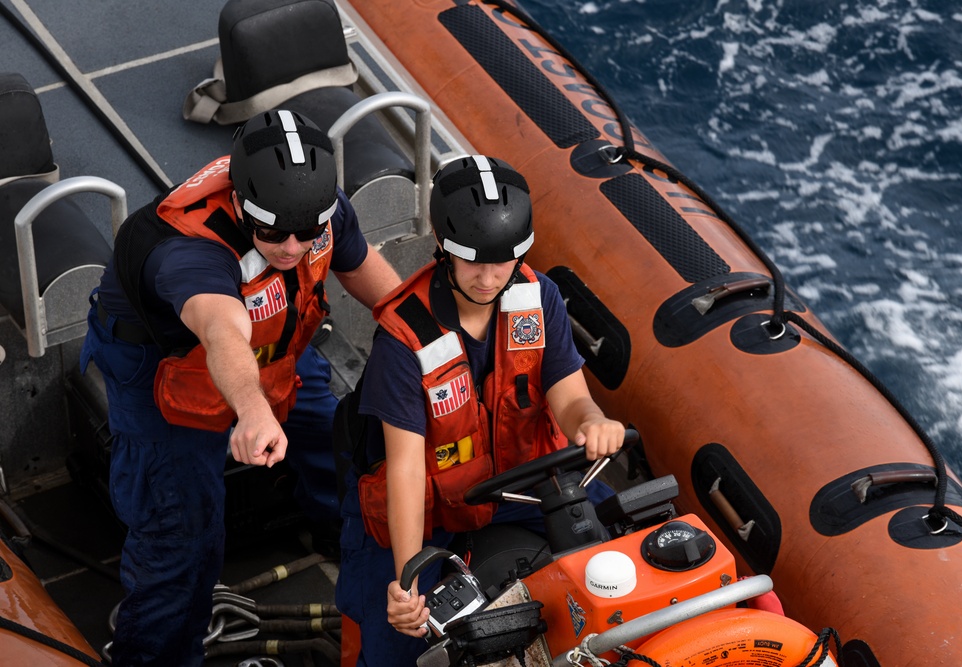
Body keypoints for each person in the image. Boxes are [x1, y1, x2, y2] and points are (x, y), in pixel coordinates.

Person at [79, 109, 400, 666]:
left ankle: (338, 531)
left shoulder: (313, 209)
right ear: (241, 202)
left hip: (276, 347)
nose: (292, 248)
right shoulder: (191, 253)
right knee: (181, 538)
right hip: (167, 369)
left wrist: (428, 342)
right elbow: (221, 332)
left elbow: (365, 270)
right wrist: (252, 410)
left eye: (307, 233)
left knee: (338, 440)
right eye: (273, 233)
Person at [335, 154, 625, 665]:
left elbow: (570, 396)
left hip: (518, 487)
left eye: (503, 262)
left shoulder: (540, 299)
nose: (489, 278)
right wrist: (407, 578)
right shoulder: (403, 340)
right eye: (473, 262)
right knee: (396, 638)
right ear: (443, 245)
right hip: (428, 509)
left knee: (617, 549)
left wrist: (592, 421)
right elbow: (406, 470)